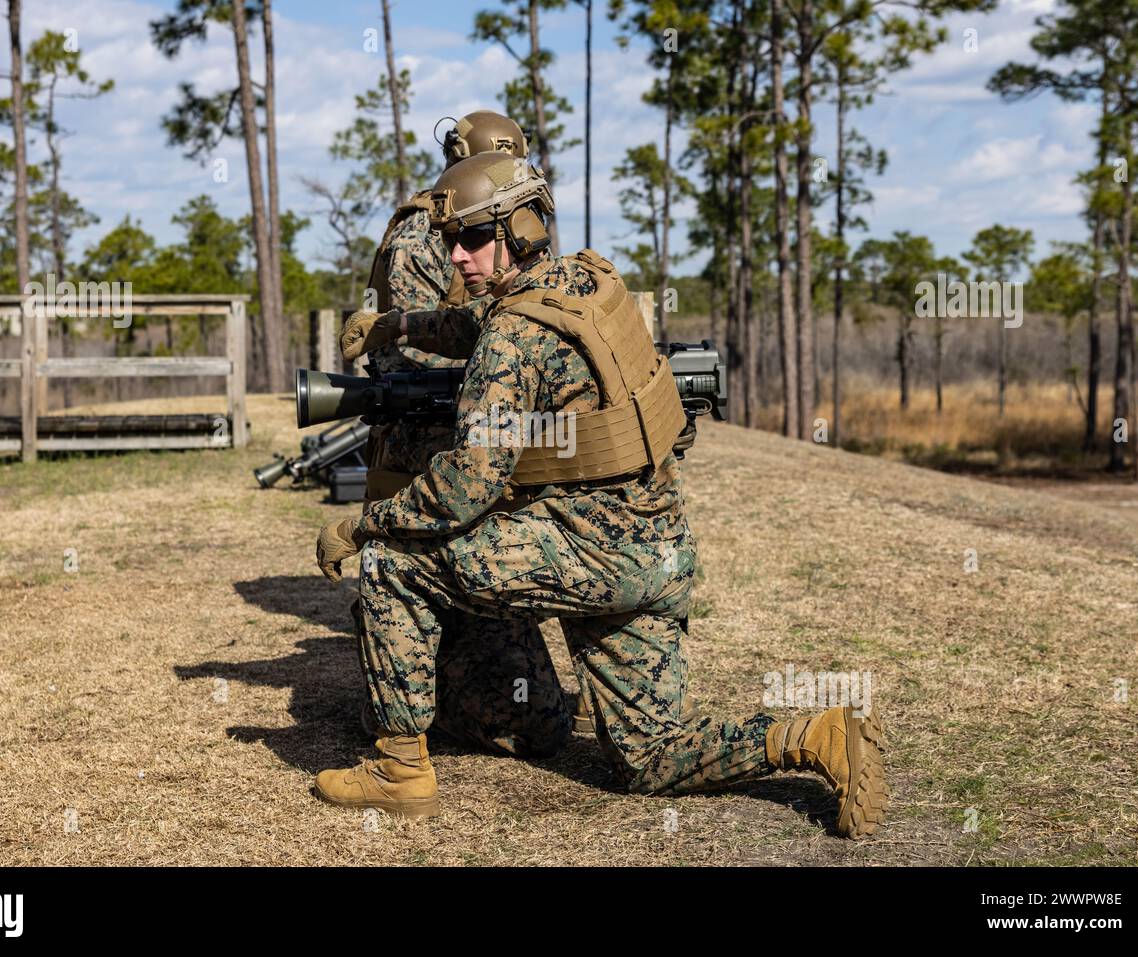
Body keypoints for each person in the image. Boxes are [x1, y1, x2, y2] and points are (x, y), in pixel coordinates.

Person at [314, 152, 889, 839]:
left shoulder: (511, 338)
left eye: (471, 239)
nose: (457, 257)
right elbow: (481, 321)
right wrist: (395, 326)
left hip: (588, 553)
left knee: (393, 563)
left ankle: (399, 769)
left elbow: (467, 486)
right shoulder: (587, 282)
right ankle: (815, 734)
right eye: (449, 242)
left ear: (519, 229)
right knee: (648, 756)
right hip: (658, 552)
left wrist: (367, 524)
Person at [340, 112, 571, 759]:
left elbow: (495, 324)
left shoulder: (505, 233)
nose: (461, 255)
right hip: (432, 458)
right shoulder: (428, 231)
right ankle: (409, 708)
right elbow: (431, 364)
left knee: (532, 707)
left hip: (480, 462)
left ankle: (485, 685)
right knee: (400, 574)